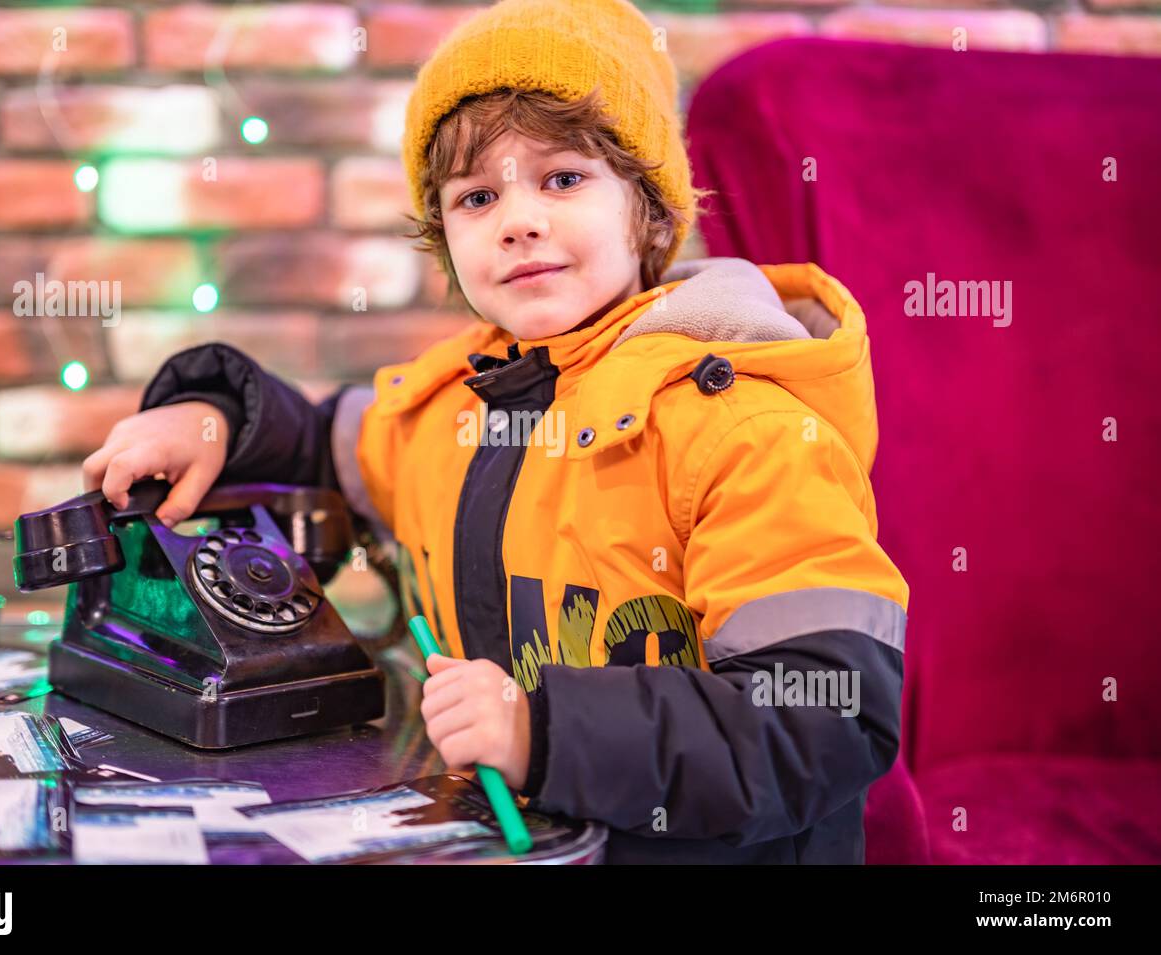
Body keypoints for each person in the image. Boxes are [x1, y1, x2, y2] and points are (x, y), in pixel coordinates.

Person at [82, 0, 908, 863]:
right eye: (478, 195)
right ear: (447, 241)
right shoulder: (452, 410)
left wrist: (540, 729)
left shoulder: (750, 430)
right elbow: (323, 438)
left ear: (652, 210)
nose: (518, 219)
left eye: (562, 178)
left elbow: (827, 713)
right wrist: (213, 416)